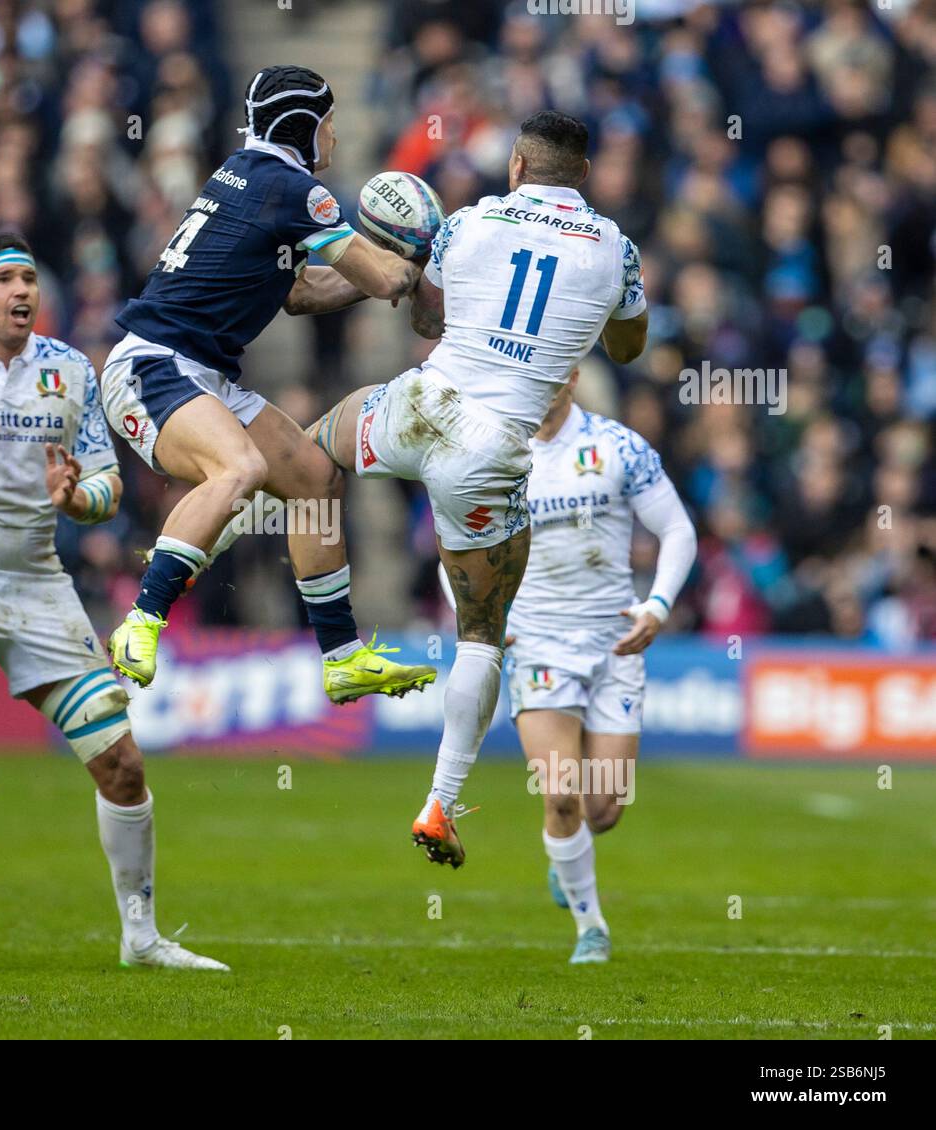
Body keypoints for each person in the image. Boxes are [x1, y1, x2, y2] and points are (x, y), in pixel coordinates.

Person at [0, 232, 227, 972]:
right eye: (6, 280)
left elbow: (105, 485)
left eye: (31, 278)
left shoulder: (68, 371)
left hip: (35, 579)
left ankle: (141, 938)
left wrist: (79, 499)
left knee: (121, 763)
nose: (23, 292)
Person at [304, 111, 650, 871]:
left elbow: (426, 314)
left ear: (518, 166)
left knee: (303, 458)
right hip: (488, 452)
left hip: (421, 403)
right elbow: (629, 346)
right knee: (482, 634)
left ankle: (173, 581)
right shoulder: (615, 250)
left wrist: (418, 254)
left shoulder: (469, 219)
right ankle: (440, 801)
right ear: (583, 176)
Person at [100, 64, 435, 705]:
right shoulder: (299, 192)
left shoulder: (249, 176)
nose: (334, 137)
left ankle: (342, 657)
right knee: (240, 469)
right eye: (329, 123)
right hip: (154, 365)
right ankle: (141, 620)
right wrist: (421, 251)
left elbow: (303, 295)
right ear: (305, 128)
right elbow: (383, 279)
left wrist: (391, 270)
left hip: (198, 370)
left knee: (312, 475)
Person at [440, 370, 697, 964]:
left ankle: (567, 849)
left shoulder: (618, 447)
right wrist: (479, 615)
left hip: (616, 644)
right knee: (561, 796)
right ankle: (592, 927)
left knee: (601, 809)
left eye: (555, 374)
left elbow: (678, 530)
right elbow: (452, 554)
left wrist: (658, 605)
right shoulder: (492, 455)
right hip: (539, 644)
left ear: (575, 377)